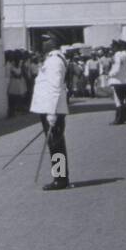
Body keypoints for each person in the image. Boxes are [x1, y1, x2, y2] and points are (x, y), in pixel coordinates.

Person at [30, 33, 71, 190]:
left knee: (56, 145)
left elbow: (55, 88)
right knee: (55, 145)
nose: (43, 44)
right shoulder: (53, 59)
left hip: (52, 109)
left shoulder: (54, 61)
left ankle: (60, 180)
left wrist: (52, 113)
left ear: (53, 43)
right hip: (50, 108)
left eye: (46, 41)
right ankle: (60, 177)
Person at [107, 40, 126, 124]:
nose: (112, 49)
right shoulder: (124, 55)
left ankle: (119, 119)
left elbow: (117, 68)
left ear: (116, 47)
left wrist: (110, 74)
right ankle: (122, 117)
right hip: (124, 80)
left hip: (117, 81)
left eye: (113, 47)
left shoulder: (117, 55)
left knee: (118, 101)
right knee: (122, 100)